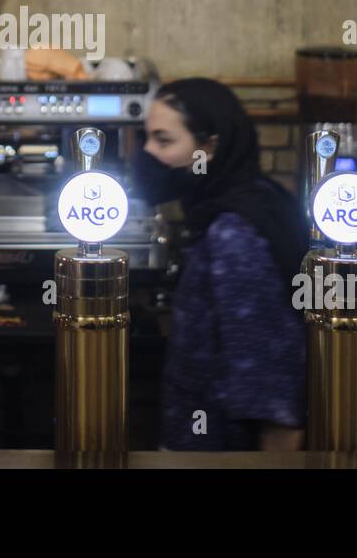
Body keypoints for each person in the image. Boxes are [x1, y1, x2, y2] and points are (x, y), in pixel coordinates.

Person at [133, 77, 308, 451]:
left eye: (164, 140)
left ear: (208, 148)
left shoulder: (235, 234)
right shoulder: (250, 201)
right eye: (147, 137)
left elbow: (272, 396)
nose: (148, 152)